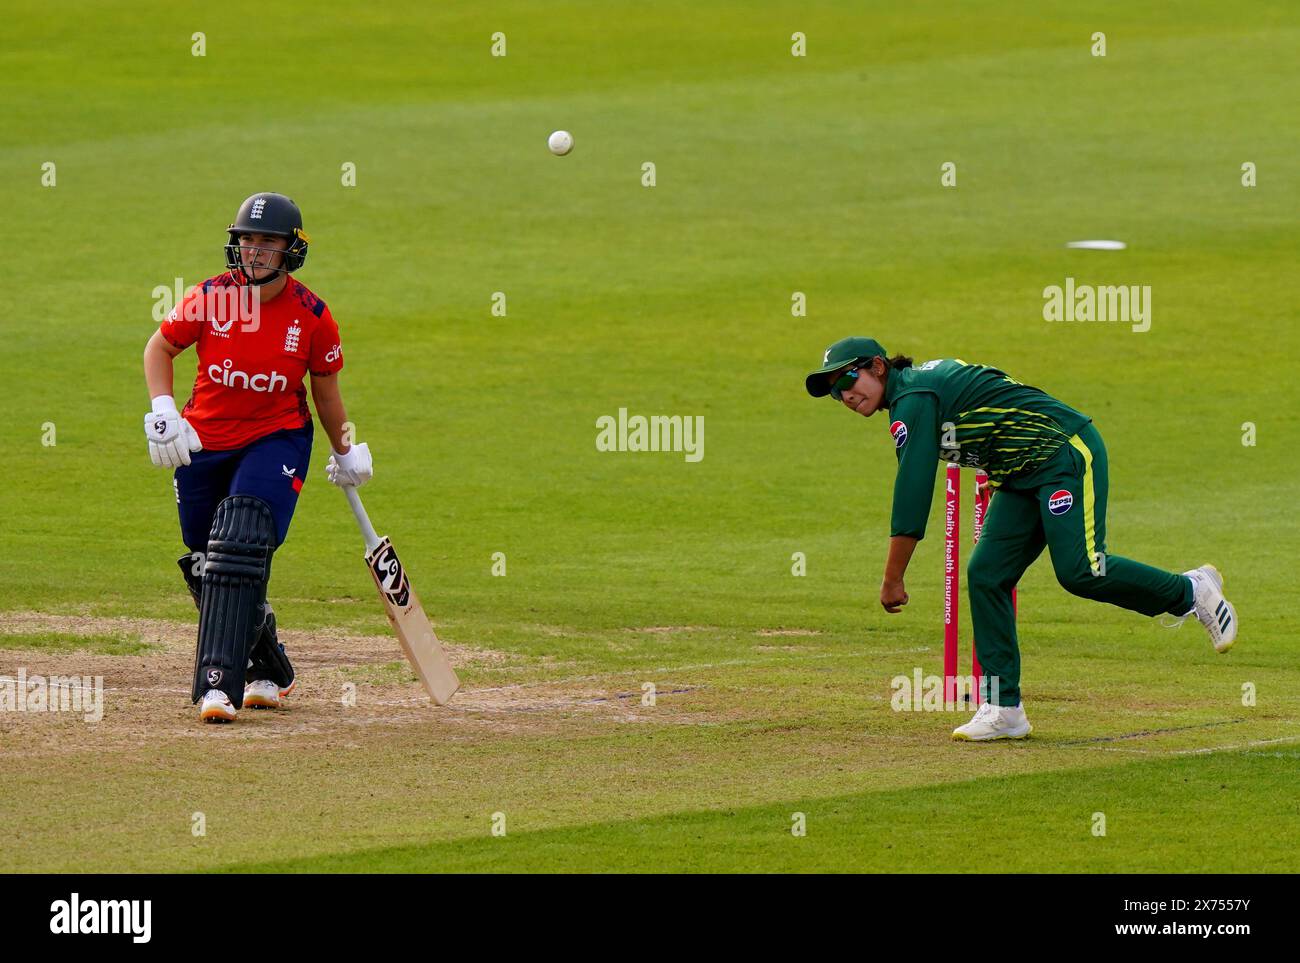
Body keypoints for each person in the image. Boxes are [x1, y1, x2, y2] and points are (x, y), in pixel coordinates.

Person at [805, 337, 1238, 741]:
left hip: (1062, 453)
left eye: (846, 379)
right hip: (1018, 474)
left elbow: (913, 491)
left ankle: (1191, 590)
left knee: (1082, 570)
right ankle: (1004, 709)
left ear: (878, 367)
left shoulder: (913, 397)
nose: (844, 395)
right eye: (833, 391)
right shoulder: (914, 391)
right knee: (987, 574)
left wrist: (892, 577)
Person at [142, 192, 373, 723]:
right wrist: (162, 411)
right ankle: (267, 667)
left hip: (277, 437)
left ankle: (217, 685)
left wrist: (345, 450)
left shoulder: (312, 315)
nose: (254, 250)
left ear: (291, 249)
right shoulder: (209, 298)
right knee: (207, 563)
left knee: (243, 534)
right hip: (203, 440)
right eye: (247, 239)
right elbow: (159, 348)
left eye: (266, 241)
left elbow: (326, 391)